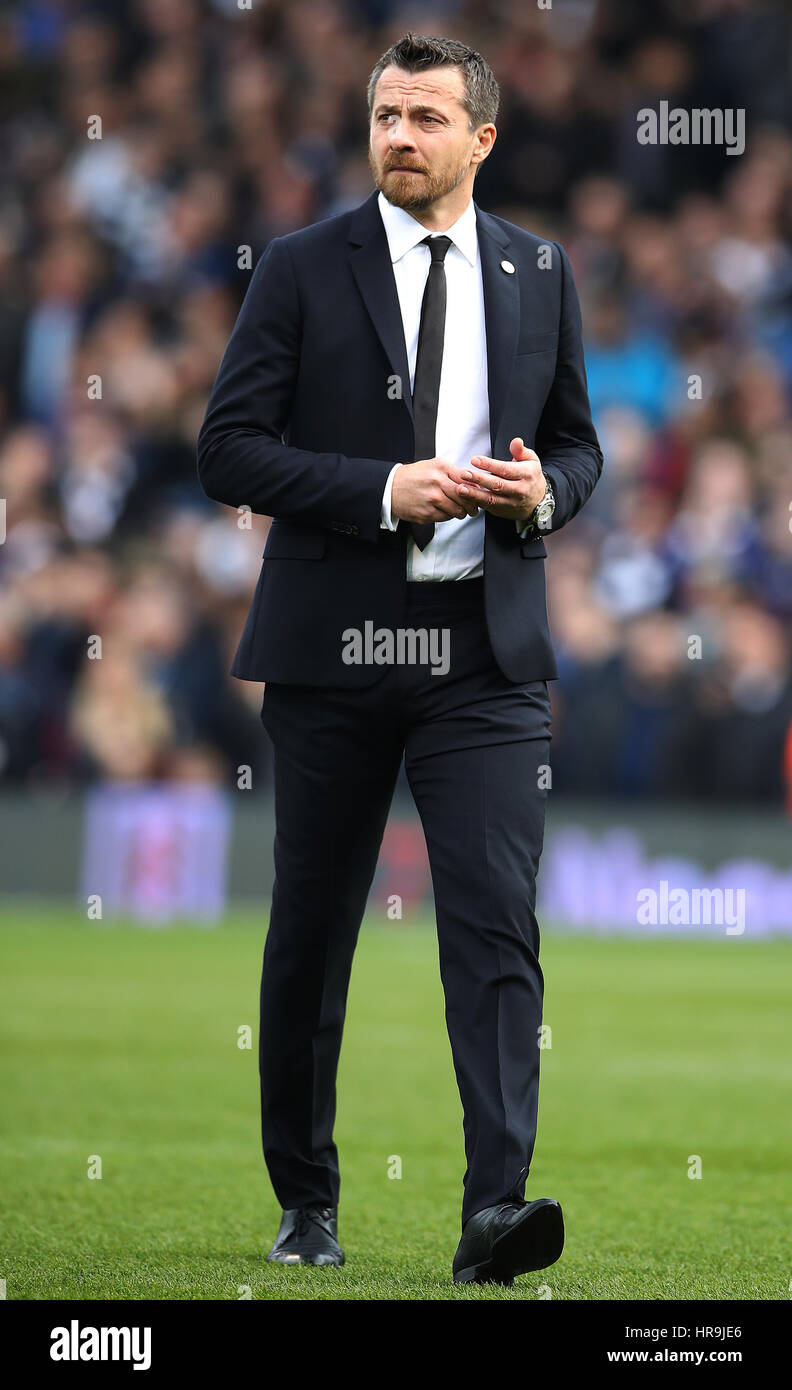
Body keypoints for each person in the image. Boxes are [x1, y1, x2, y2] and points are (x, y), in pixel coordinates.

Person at [197, 32, 602, 1287]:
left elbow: (581, 449)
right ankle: (306, 1203)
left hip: (483, 655)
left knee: (494, 925)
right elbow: (228, 450)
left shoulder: (541, 268)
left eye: (427, 116)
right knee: (313, 931)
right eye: (385, 113)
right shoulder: (305, 268)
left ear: (481, 138)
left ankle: (496, 1209)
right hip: (330, 654)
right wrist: (385, 488)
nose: (400, 136)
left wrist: (542, 493)